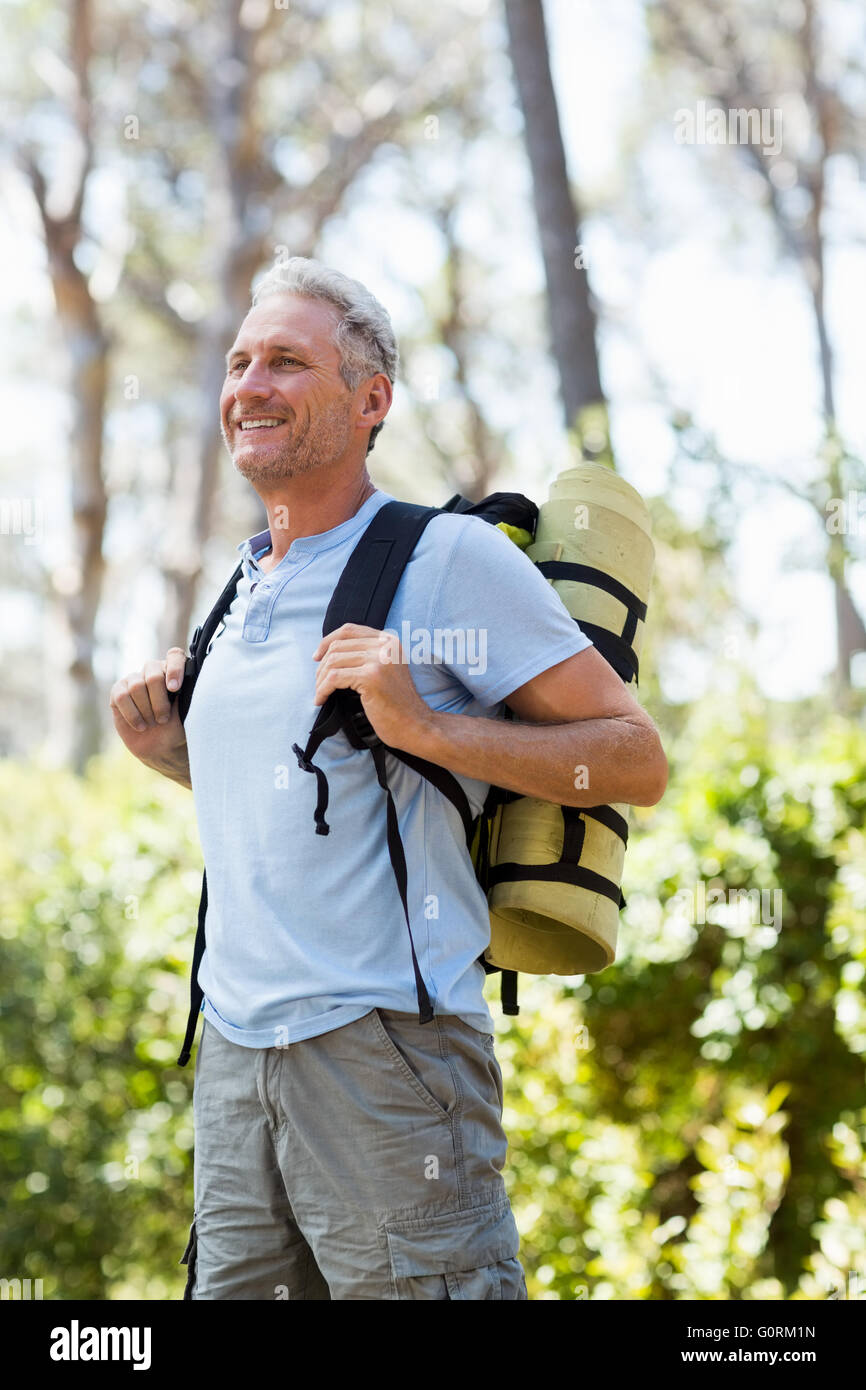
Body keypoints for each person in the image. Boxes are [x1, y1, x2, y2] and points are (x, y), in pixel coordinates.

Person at [110, 257, 668, 1300]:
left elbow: (634, 758)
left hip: (385, 1054)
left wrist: (428, 725)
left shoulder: (444, 558)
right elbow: (315, 795)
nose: (250, 385)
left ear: (371, 401)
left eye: (285, 360)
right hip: (236, 1052)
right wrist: (172, 759)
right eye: (239, 362)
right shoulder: (241, 578)